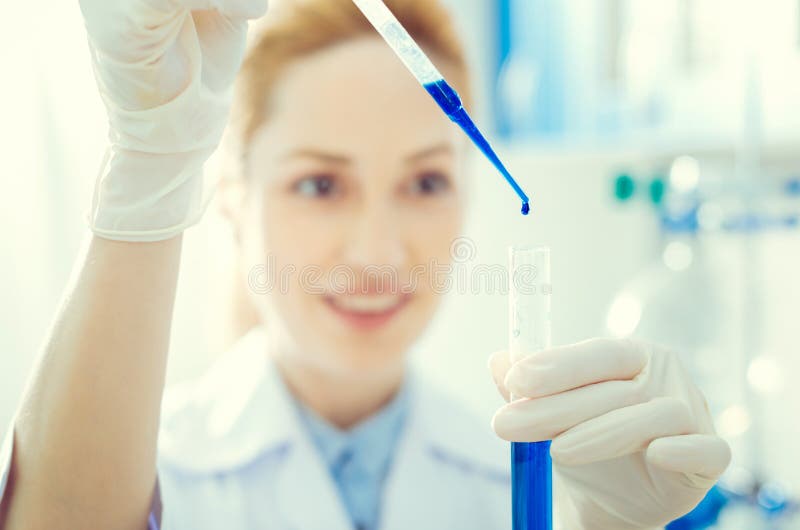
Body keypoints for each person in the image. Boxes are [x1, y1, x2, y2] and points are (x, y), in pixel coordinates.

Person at [0, 0, 731, 528]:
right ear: (233, 195)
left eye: (425, 182)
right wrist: (149, 160)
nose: (378, 255)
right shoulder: (136, 467)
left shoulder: (526, 482)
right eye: (320, 184)